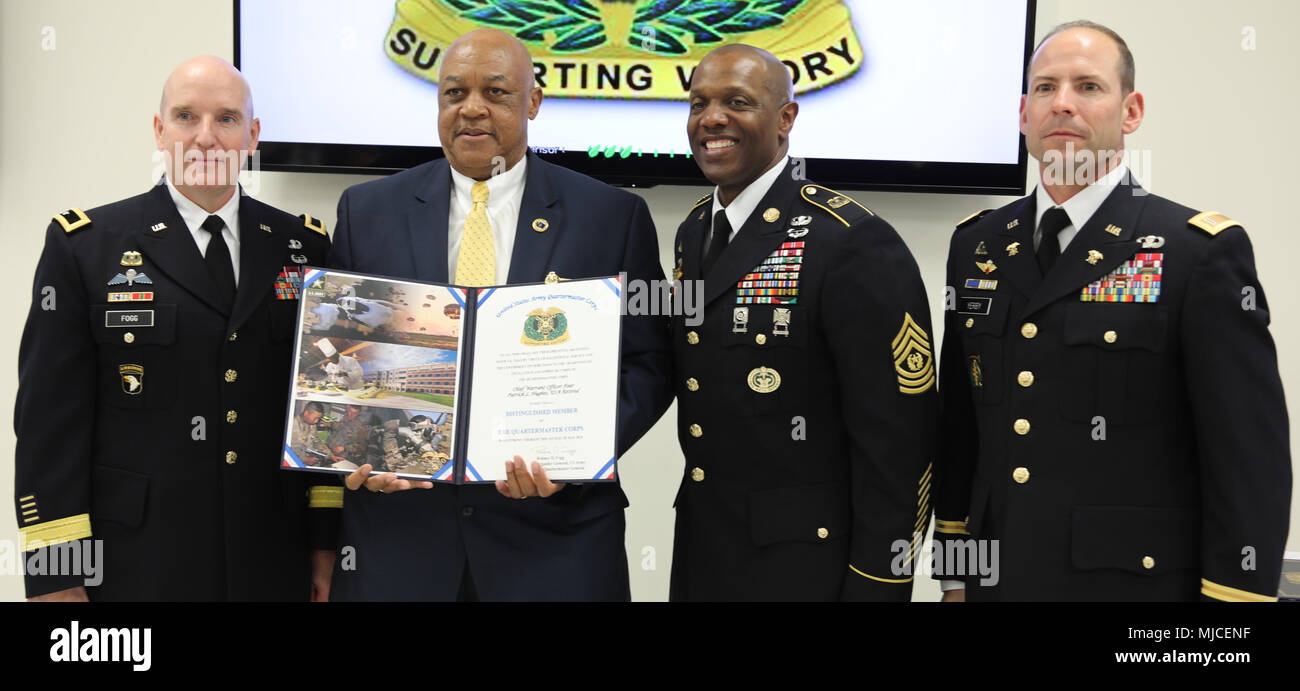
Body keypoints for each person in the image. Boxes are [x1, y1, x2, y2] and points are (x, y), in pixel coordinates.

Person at [932, 21, 1291, 602]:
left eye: (1088, 87)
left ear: (1131, 111)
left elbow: (1248, 458)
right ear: (1024, 113)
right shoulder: (979, 244)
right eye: (1045, 89)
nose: (1063, 104)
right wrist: (953, 574)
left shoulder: (1194, 251)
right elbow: (960, 435)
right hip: (995, 584)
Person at [321, 29, 673, 601]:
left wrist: (575, 456)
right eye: (454, 92)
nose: (472, 108)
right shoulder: (367, 211)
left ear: (533, 101)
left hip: (555, 545)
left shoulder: (611, 217)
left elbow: (648, 364)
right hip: (402, 544)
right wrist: (353, 446)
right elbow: (342, 350)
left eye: (496, 92)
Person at [13, 56, 339, 601]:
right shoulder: (86, 246)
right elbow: (50, 426)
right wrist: (56, 574)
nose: (206, 137)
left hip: (271, 556)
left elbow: (323, 411)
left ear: (253, 135)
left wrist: (327, 545)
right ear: (160, 131)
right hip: (135, 561)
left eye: (227, 119)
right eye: (187, 117)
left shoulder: (302, 247)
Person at [667, 44, 939, 601]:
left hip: (809, 566)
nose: (711, 119)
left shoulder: (850, 241)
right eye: (698, 104)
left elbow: (900, 439)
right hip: (705, 551)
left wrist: (881, 580)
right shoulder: (694, 230)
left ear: (786, 118)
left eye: (736, 102)